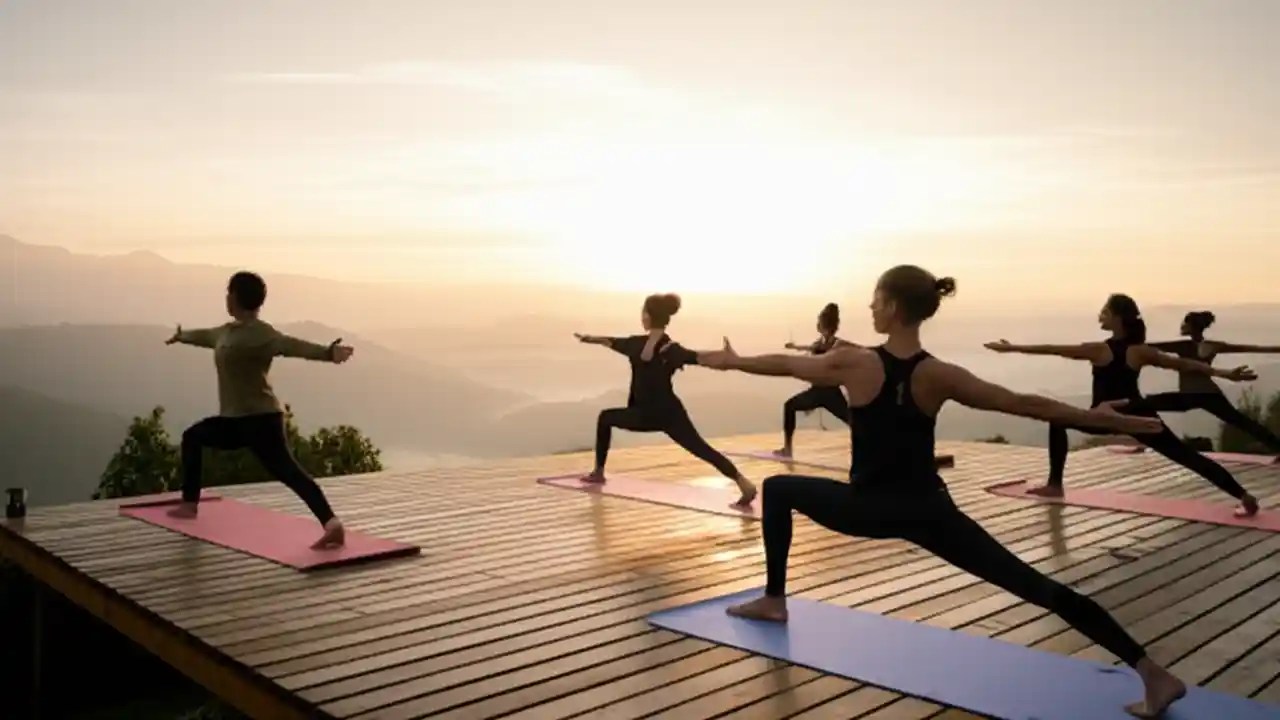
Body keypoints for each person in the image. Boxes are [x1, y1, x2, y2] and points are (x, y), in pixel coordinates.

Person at [697, 265, 1187, 718]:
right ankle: (1152, 672)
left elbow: (785, 366)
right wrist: (1091, 417)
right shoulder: (938, 373)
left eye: (874, 300)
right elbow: (1018, 403)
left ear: (890, 308)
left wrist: (732, 362)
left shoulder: (854, 362)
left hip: (868, 508)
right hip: (931, 511)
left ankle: (774, 600)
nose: (869, 308)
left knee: (778, 489)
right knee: (1036, 587)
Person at [985, 294, 1259, 517]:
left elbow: (1053, 348)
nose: (1100, 316)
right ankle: (1244, 496)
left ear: (1117, 317)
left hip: (1105, 416)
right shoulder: (1139, 350)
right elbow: (1186, 365)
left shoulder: (1099, 349)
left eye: (1104, 311)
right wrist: (1226, 375)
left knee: (1057, 417)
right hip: (1137, 415)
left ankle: (1055, 485)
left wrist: (1013, 349)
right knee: (1185, 455)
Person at [165, 271, 353, 549]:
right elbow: (206, 337)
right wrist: (183, 336)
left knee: (289, 472)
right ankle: (189, 504)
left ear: (237, 297)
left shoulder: (262, 334)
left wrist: (328, 353)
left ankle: (332, 524)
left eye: (229, 293)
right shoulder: (227, 332)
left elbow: (292, 346)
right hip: (234, 421)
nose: (226, 298)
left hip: (262, 420)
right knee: (193, 437)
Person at [574, 292, 756, 507]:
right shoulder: (668, 348)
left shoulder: (639, 344)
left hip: (645, 414)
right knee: (701, 449)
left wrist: (588, 339)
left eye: (643, 313)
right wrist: (727, 358)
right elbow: (699, 358)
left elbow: (609, 341)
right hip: (669, 412)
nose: (641, 317)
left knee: (605, 418)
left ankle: (598, 472)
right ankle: (744, 483)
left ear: (649, 317)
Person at [1143, 310, 1280, 452]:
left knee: (1145, 404)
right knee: (1240, 421)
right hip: (1207, 394)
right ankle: (1276, 445)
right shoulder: (1213, 345)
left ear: (1191, 326)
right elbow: (1254, 348)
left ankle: (1155, 439)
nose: (1182, 326)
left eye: (1185, 323)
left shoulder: (1182, 346)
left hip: (1191, 396)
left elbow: (1147, 347)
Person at [774, 302, 857, 458]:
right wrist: (795, 347)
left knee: (855, 422)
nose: (817, 325)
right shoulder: (821, 342)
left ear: (823, 324)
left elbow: (852, 348)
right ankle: (787, 449)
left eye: (819, 322)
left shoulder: (836, 343)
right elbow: (811, 348)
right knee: (789, 406)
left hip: (830, 392)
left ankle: (869, 449)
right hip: (819, 392)